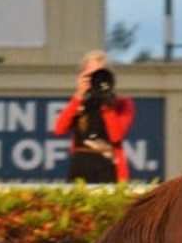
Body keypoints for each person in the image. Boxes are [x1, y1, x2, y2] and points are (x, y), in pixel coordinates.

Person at [53, 50, 135, 183]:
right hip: (80, 165)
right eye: (91, 75)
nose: (96, 80)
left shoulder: (122, 104)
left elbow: (116, 137)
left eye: (100, 74)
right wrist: (79, 95)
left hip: (108, 165)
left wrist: (106, 103)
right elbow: (59, 129)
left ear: (109, 77)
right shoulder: (79, 102)